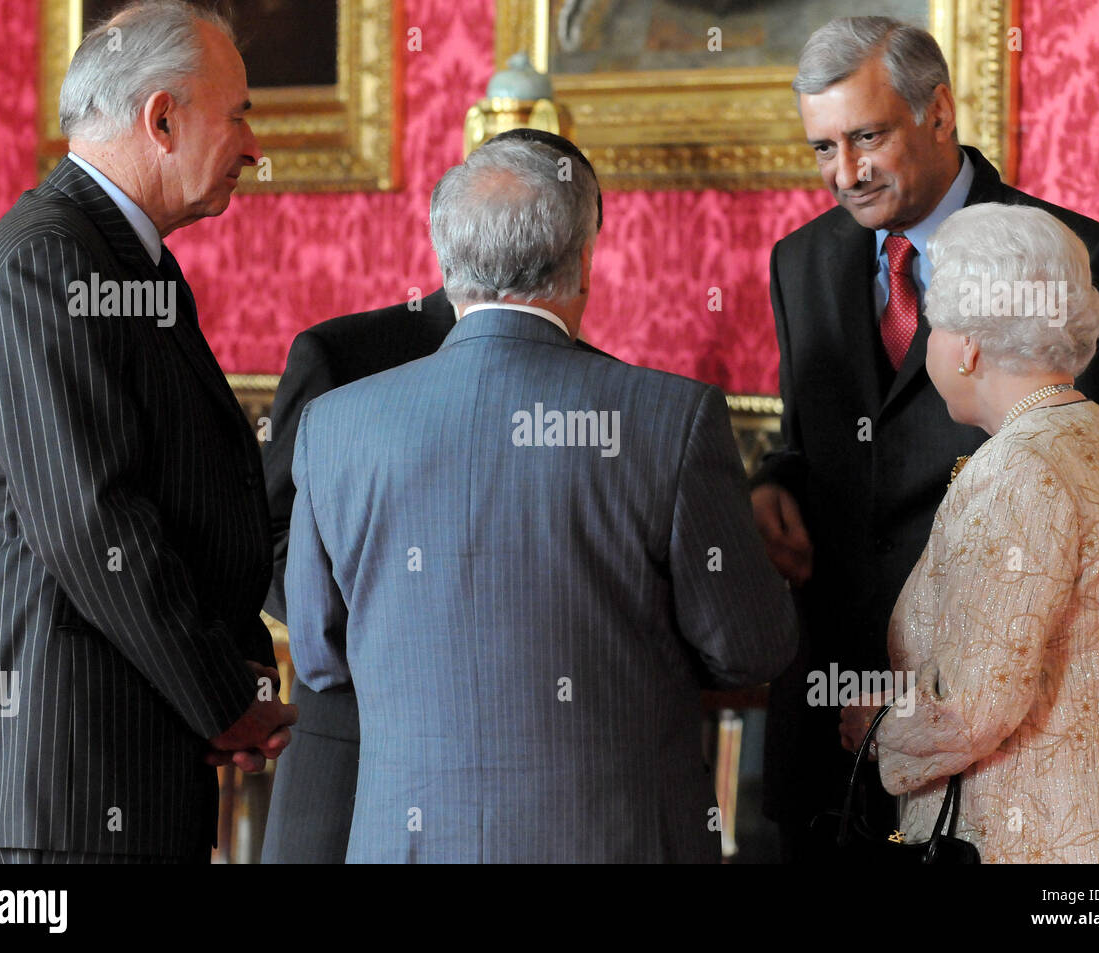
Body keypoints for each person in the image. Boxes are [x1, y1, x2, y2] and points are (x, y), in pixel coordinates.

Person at [752, 15, 1099, 860]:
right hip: (831, 741)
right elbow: (810, 444)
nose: (845, 174)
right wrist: (773, 479)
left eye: (867, 136)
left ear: (940, 112)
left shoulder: (1078, 258)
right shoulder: (802, 262)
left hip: (1000, 773)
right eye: (822, 149)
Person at [284, 134, 799, 863]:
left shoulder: (335, 426)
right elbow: (751, 648)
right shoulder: (668, 420)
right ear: (584, 261)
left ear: (444, 263)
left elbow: (319, 657)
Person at [0, 0, 297, 864]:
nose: (255, 145)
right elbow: (93, 523)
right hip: (72, 785)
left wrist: (234, 680)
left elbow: (176, 497)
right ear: (163, 119)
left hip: (126, 766)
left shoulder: (121, 256)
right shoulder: (49, 261)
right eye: (241, 111)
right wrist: (224, 700)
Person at [260, 128, 612, 864]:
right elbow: (272, 537)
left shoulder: (608, 393)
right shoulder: (342, 358)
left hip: (536, 776)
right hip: (353, 753)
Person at [837, 203, 1099, 863]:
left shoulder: (1013, 470)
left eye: (937, 326)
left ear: (969, 343)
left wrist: (876, 726)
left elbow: (970, 709)